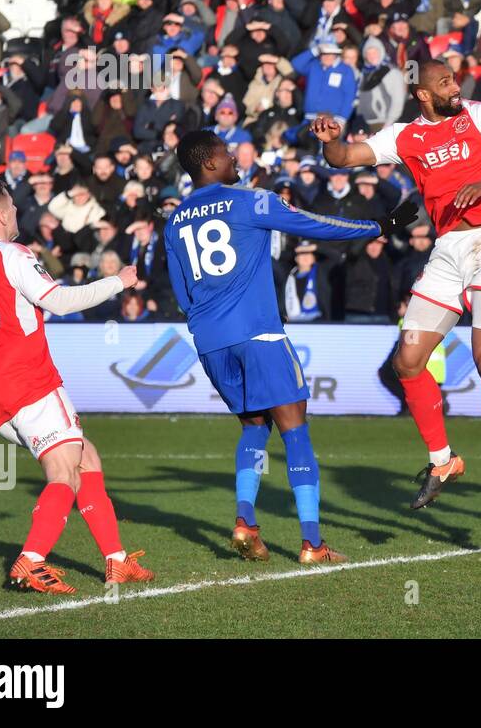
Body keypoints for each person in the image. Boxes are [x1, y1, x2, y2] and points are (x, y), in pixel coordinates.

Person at [164, 130, 413, 564]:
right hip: (259, 332)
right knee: (294, 427)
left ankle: (245, 520)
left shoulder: (174, 220)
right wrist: (382, 225)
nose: (236, 158)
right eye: (226, 153)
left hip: (210, 341)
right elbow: (319, 225)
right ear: (208, 164)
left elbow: (181, 293)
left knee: (254, 426)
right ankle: (312, 543)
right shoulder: (251, 200)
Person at [311, 60, 481, 521]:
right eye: (446, 82)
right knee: (407, 362)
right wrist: (330, 141)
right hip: (448, 250)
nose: (456, 86)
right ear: (424, 95)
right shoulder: (403, 136)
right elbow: (345, 159)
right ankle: (442, 460)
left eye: (454, 79)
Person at [0, 178, 155, 593]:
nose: (16, 213)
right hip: (30, 381)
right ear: (0, 214)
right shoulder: (11, 254)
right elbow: (59, 301)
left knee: (86, 459)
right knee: (63, 470)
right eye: (12, 207)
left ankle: (117, 560)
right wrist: (118, 282)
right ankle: (31, 559)